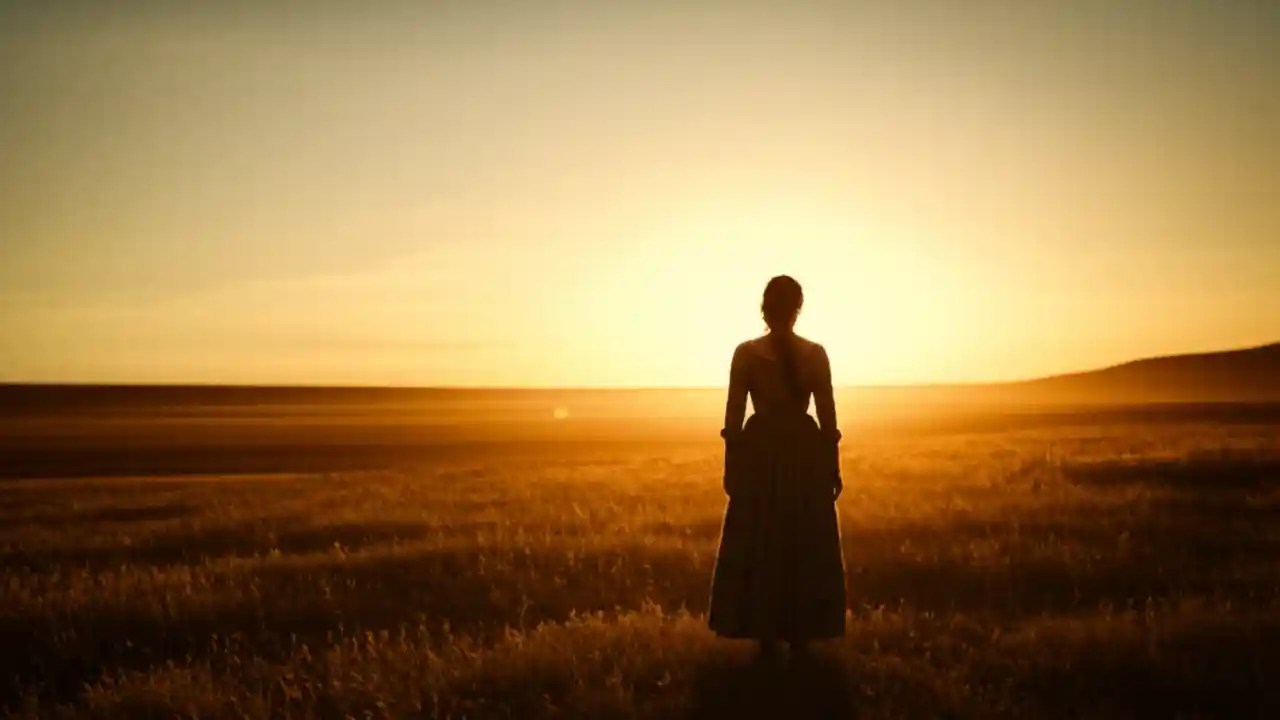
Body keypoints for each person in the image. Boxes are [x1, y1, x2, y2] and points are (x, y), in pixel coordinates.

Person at [708, 275, 846, 658]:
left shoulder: (746, 354)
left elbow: (733, 419)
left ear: (764, 308)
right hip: (803, 452)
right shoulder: (815, 354)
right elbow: (828, 419)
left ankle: (766, 633)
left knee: (761, 541)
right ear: (797, 309)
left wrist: (731, 467)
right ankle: (800, 634)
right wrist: (832, 468)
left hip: (761, 451)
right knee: (803, 541)